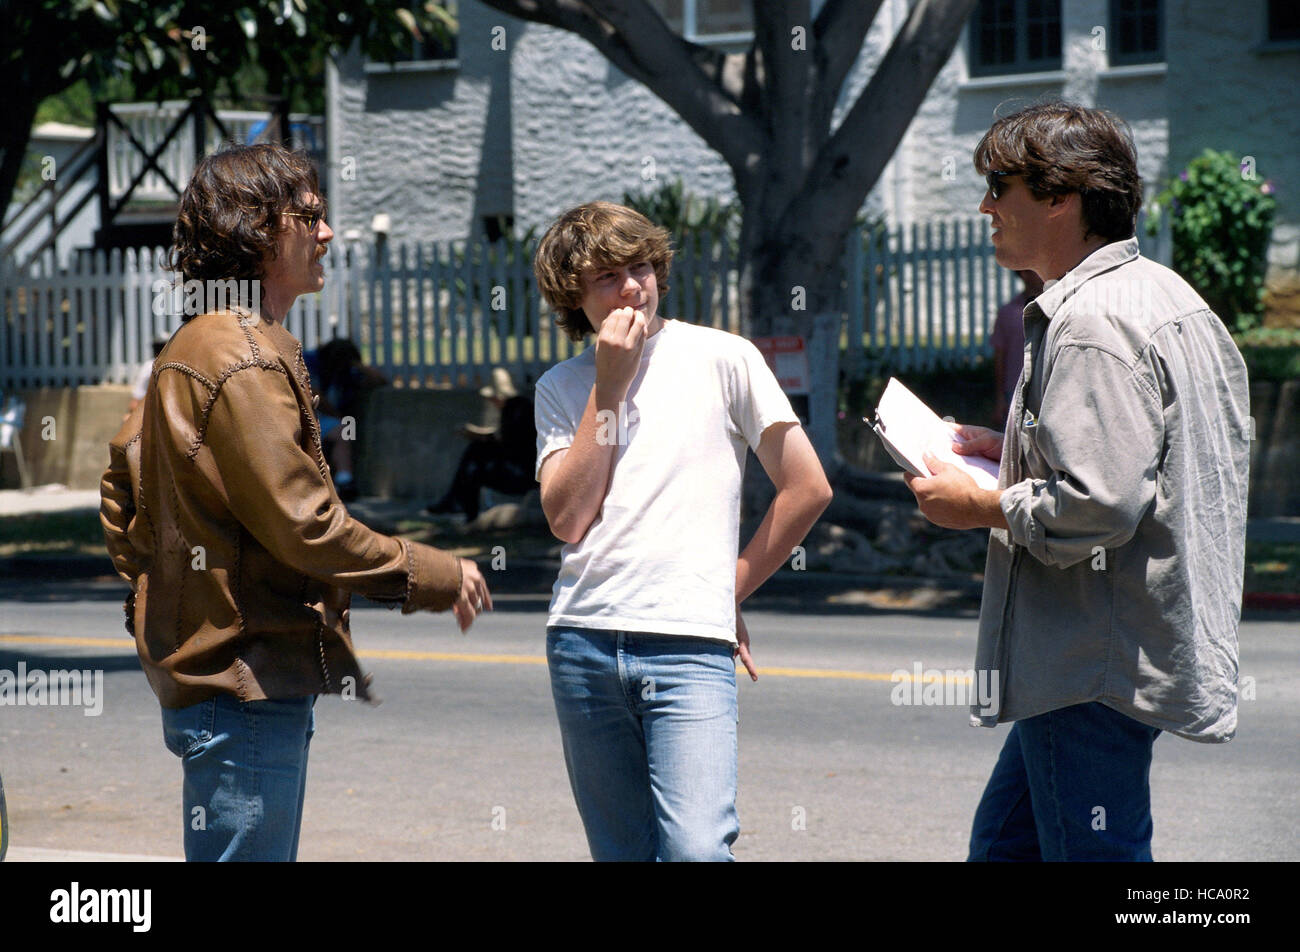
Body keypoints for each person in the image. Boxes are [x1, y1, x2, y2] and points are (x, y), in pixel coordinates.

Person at [99, 144, 492, 862]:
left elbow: (123, 509)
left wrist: (173, 596)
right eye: (308, 215)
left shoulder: (199, 342)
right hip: (245, 683)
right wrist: (431, 572)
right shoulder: (242, 355)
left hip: (224, 682)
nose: (328, 232)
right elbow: (304, 524)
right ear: (255, 230)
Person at [904, 102, 1251, 861]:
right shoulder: (1165, 294)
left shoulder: (1091, 322)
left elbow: (1098, 504)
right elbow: (1139, 459)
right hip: (1111, 649)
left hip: (1089, 660)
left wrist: (982, 505)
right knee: (1004, 848)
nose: (985, 206)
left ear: (1062, 195)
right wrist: (1015, 448)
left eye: (1001, 186)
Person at [531, 202, 833, 861]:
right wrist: (608, 386)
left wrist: (730, 589)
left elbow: (807, 487)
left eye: (641, 266)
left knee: (697, 848)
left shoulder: (725, 358)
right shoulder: (563, 386)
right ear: (572, 295)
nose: (632, 286)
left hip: (689, 642)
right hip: (583, 639)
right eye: (607, 276)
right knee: (624, 852)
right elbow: (568, 517)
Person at [425, 367, 536, 520]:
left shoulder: (518, 410)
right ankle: (454, 501)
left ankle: (465, 511)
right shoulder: (513, 407)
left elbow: (513, 446)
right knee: (475, 451)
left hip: (522, 472)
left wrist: (482, 437)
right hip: (515, 465)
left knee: (474, 471)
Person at [303, 337, 387, 501]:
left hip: (329, 420)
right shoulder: (309, 360)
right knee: (344, 427)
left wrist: (359, 366)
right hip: (305, 417)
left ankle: (345, 479)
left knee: (347, 431)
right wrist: (337, 415)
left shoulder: (346, 369)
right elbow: (314, 394)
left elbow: (380, 381)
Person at [988, 270, 1043, 425]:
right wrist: (1000, 399)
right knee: (1020, 438)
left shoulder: (1058, 309)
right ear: (1024, 274)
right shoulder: (1008, 312)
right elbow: (999, 356)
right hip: (1016, 391)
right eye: (1033, 271)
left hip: (1047, 389)